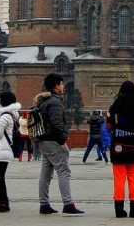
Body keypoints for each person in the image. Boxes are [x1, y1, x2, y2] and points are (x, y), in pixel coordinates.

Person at [35, 72, 83, 215]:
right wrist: (62, 139)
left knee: (46, 172)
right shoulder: (55, 101)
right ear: (56, 86)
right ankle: (68, 204)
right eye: (61, 84)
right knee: (63, 171)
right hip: (54, 140)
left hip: (44, 140)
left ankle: (44, 204)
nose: (63, 86)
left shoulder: (43, 100)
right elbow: (57, 123)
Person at [107, 80, 134, 218]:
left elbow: (108, 127)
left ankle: (119, 210)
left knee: (119, 179)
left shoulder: (115, 107)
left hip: (118, 147)